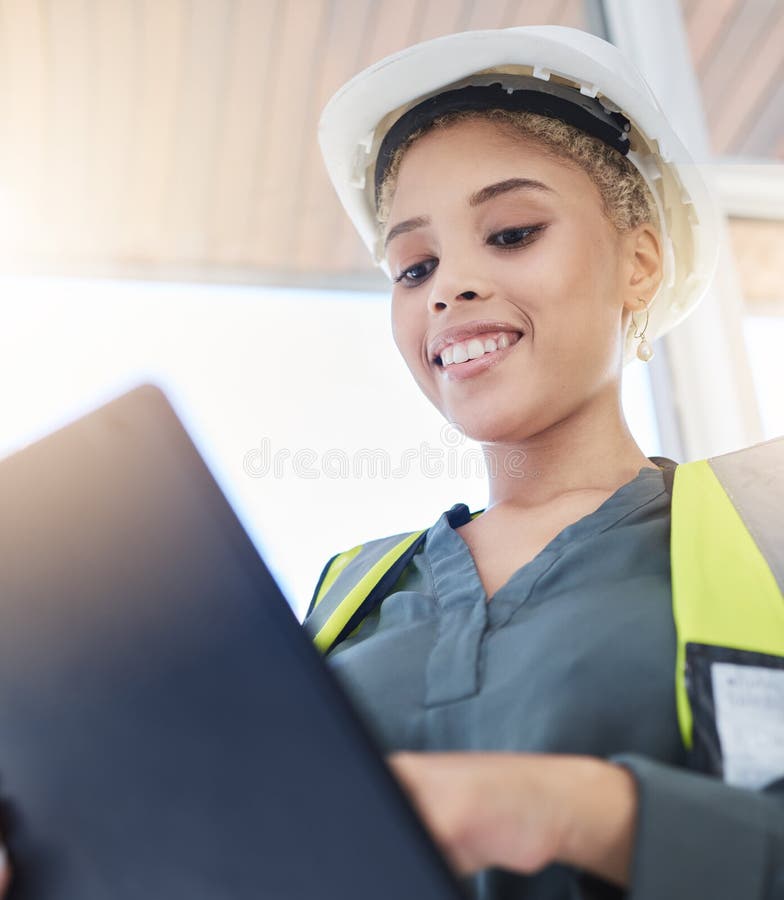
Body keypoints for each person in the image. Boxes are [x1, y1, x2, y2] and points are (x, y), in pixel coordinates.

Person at [305, 25, 784, 900]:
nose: (449, 287)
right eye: (414, 267)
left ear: (639, 265)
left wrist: (576, 812)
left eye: (513, 232)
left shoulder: (770, 528)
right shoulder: (347, 594)